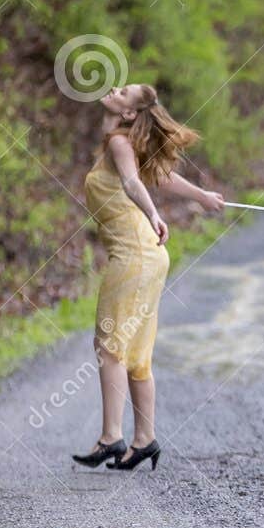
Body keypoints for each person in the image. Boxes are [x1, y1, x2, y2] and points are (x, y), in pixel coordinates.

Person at [72, 83, 223, 471]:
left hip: (135, 256)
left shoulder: (120, 144)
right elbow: (161, 177)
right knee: (135, 353)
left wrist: (154, 214)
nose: (113, 88)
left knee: (109, 346)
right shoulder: (122, 144)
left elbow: (133, 183)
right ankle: (144, 439)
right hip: (148, 257)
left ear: (127, 114)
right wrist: (201, 196)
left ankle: (110, 437)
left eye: (122, 92)